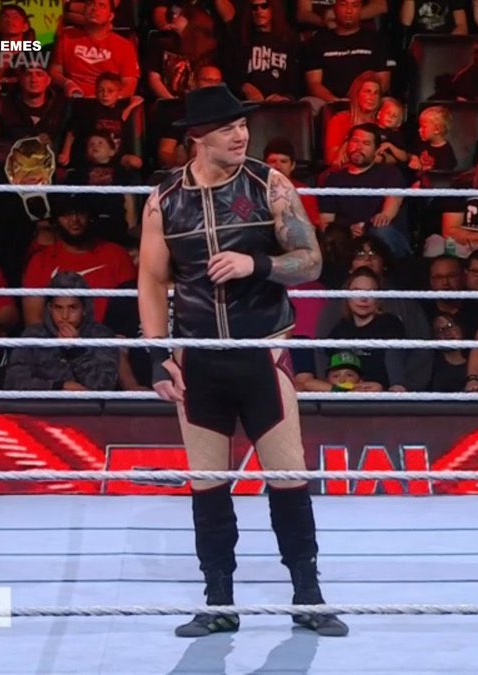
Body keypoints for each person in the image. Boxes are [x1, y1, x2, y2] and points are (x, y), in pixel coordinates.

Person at [137, 85, 348, 638]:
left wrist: (257, 263)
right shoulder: (163, 199)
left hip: (262, 354)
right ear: (197, 137)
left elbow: (311, 261)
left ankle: (308, 595)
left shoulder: (269, 184)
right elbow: (152, 281)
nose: (241, 135)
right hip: (198, 359)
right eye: (228, 127)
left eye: (242, 125)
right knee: (208, 486)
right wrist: (157, 355)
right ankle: (218, 601)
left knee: (288, 478)